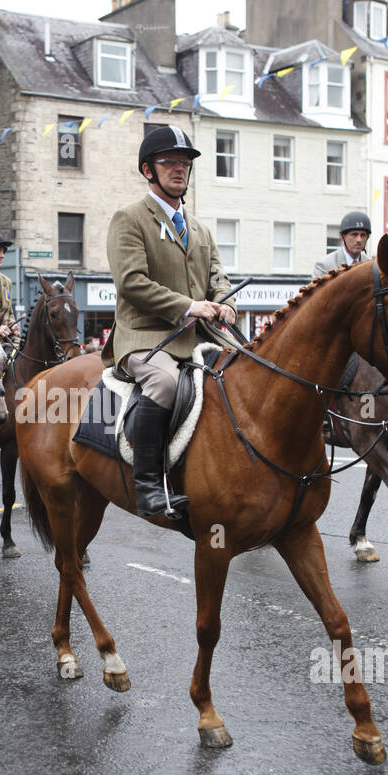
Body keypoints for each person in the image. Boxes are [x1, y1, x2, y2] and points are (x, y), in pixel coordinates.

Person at [103, 125, 234, 518]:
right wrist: (190, 306)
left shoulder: (200, 228)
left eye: (184, 163)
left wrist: (224, 303)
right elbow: (132, 283)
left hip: (200, 337)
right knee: (163, 383)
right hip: (146, 338)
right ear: (148, 170)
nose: (179, 169)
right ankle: (147, 484)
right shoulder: (129, 219)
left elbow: (217, 276)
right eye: (169, 162)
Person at [313, 211, 372, 277]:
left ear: (367, 237)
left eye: (363, 235)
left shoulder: (371, 265)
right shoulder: (324, 265)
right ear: (342, 236)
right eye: (354, 234)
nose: (359, 240)